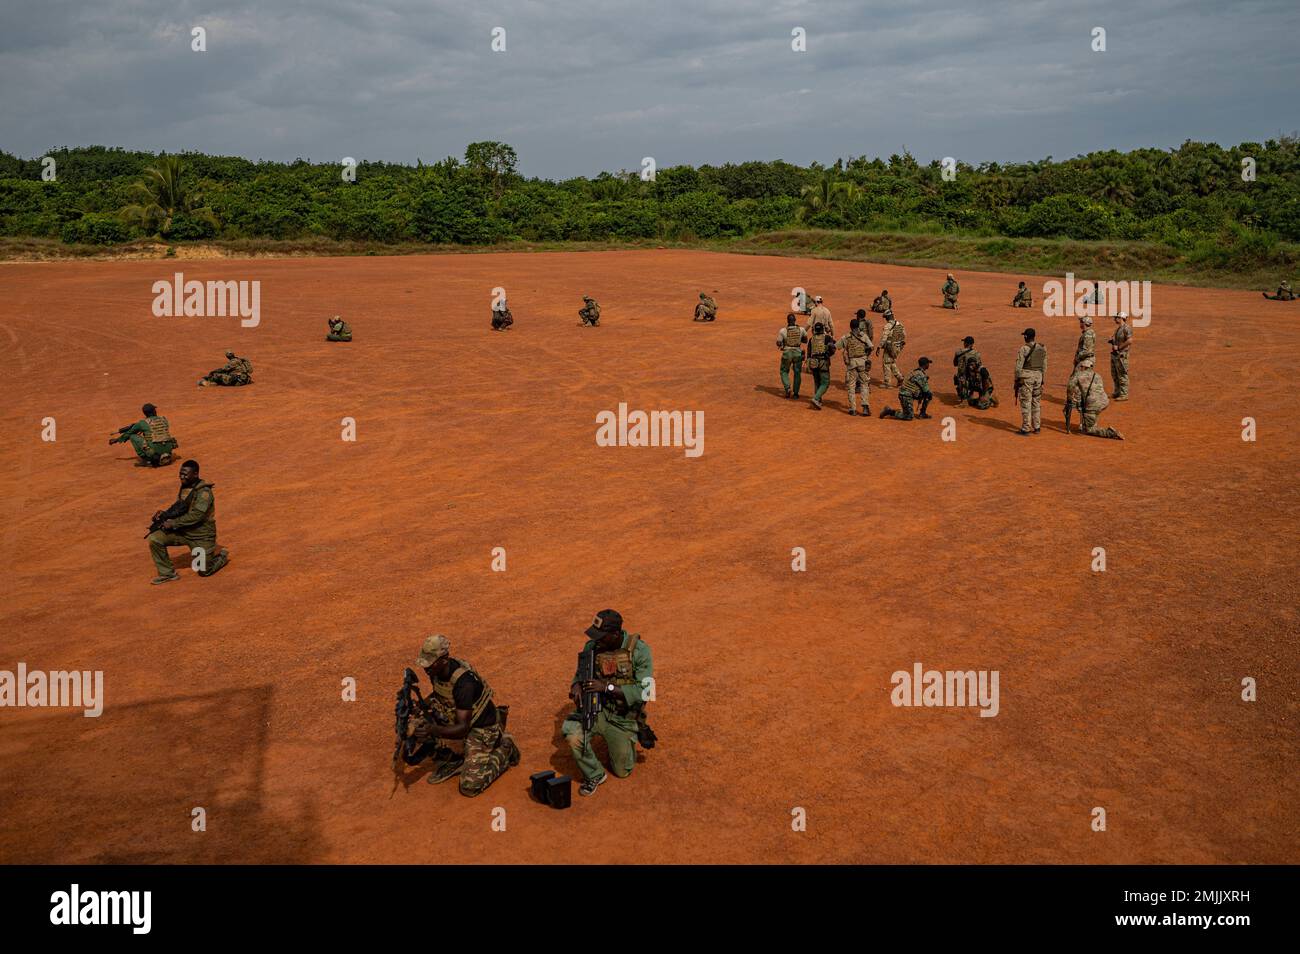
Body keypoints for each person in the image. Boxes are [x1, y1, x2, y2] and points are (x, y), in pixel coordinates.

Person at [406, 635, 520, 795]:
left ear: (444, 659)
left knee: (469, 786)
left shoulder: (464, 684)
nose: (426, 668)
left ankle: (505, 749)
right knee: (414, 724)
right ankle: (455, 758)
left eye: (430, 663)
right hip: (459, 719)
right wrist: (421, 706)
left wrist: (432, 729)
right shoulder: (437, 672)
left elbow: (463, 729)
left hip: (481, 730)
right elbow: (440, 694)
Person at [561, 609, 654, 798]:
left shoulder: (639, 651)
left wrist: (606, 688)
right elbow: (580, 674)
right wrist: (576, 686)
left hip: (623, 718)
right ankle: (595, 774)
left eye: (602, 637)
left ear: (615, 634)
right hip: (598, 711)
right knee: (572, 733)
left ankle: (631, 734)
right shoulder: (592, 647)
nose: (597, 641)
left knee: (622, 771)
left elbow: (645, 692)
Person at [146, 459, 228, 584]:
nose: (181, 476)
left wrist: (173, 523)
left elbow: (196, 516)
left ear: (195, 474)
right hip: (183, 532)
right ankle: (167, 574)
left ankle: (222, 556)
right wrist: (165, 514)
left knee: (204, 571)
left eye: (185, 474)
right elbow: (180, 506)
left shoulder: (204, 493)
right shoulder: (185, 487)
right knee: (154, 538)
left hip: (201, 536)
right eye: (180, 473)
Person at [1065, 358, 1124, 440]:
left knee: (1089, 429)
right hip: (1104, 402)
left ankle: (1110, 433)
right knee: (1091, 415)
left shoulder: (1078, 375)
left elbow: (1070, 387)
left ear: (1083, 367)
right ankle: (1090, 421)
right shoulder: (1097, 375)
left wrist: (1069, 398)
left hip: (1092, 404)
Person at [109, 403, 178, 467]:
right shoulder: (164, 419)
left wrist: (117, 440)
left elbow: (129, 433)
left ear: (145, 413)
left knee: (132, 436)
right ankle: (165, 455)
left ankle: (147, 460)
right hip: (168, 450)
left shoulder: (142, 423)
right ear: (154, 411)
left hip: (155, 454)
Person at [838, 313, 873, 416]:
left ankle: (852, 409)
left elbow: (836, 346)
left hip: (852, 363)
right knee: (864, 385)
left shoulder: (846, 337)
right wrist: (865, 355)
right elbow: (871, 347)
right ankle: (865, 408)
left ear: (850, 327)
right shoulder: (863, 336)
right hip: (862, 362)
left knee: (851, 386)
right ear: (858, 326)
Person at [1014, 327, 1046, 435]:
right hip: (1039, 377)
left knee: (1026, 402)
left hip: (1027, 377)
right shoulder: (1042, 348)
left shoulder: (1024, 349)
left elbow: (1018, 367)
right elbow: (1044, 366)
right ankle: (1037, 426)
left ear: (1026, 337)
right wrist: (1042, 379)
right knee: (1036, 402)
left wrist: (1016, 379)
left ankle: (1026, 428)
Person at [804, 321, 836, 410]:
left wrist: (808, 363)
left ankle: (818, 401)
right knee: (825, 383)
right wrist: (828, 354)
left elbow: (809, 353)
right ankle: (816, 398)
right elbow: (833, 349)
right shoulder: (827, 338)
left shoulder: (811, 339)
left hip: (813, 363)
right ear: (822, 329)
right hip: (823, 363)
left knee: (817, 382)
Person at [777, 314, 805, 399]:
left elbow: (778, 342)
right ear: (795, 320)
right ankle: (796, 394)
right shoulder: (801, 329)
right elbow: (805, 340)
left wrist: (782, 345)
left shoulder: (783, 331)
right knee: (797, 373)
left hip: (787, 353)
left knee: (784, 371)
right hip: (797, 353)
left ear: (787, 321)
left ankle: (788, 388)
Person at [876, 313, 906, 388]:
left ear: (887, 317)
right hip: (898, 347)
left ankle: (887, 383)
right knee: (892, 362)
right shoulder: (900, 324)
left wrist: (879, 347)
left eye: (886, 317)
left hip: (890, 347)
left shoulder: (888, 326)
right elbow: (904, 335)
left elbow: (884, 337)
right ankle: (900, 378)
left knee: (886, 363)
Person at [1108, 312, 1132, 400]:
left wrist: (1119, 347)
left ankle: (1124, 394)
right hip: (1115, 354)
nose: (1115, 319)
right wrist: (1112, 341)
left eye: (1116, 317)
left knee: (1122, 374)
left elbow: (1129, 341)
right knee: (1115, 374)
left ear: (1121, 318)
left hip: (1122, 355)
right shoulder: (1118, 329)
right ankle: (1117, 392)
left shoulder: (1127, 328)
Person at [953, 336, 982, 406]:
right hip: (974, 379)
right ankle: (972, 395)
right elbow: (979, 365)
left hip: (963, 378)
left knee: (958, 377)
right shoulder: (976, 354)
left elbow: (955, 364)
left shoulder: (958, 352)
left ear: (965, 343)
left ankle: (964, 399)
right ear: (972, 344)